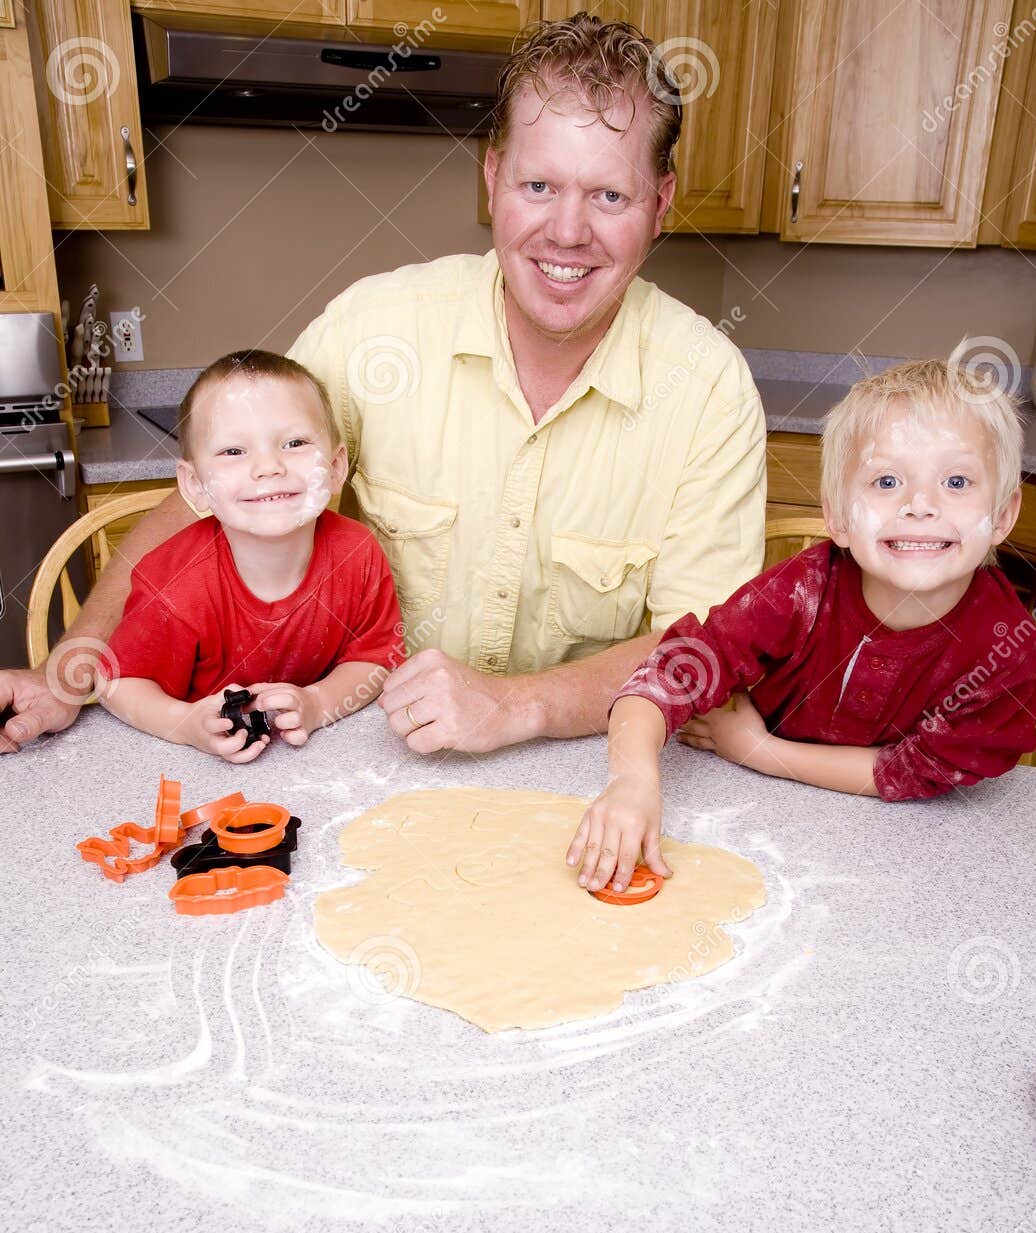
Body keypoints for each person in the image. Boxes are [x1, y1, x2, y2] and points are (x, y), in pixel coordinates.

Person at [0, 13, 765, 754]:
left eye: (609, 196)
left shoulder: (707, 390)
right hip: (352, 747)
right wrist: (71, 671)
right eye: (538, 186)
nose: (566, 232)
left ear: (659, 204)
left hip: (594, 759)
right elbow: (209, 510)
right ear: (492, 177)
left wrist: (516, 704)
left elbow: (696, 645)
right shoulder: (375, 330)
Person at [567, 355, 1036, 895]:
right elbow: (669, 673)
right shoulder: (802, 591)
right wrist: (632, 781)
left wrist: (758, 751)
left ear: (1003, 515)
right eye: (886, 480)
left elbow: (919, 771)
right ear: (838, 517)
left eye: (956, 481)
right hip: (748, 812)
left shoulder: (1007, 650)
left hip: (895, 860)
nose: (920, 505)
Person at [98, 350, 404, 760]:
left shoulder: (359, 554)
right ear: (195, 486)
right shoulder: (174, 584)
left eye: (294, 443)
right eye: (233, 451)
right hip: (189, 767)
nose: (268, 466)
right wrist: (186, 725)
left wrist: (316, 703)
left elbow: (375, 660)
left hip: (316, 764)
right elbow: (116, 684)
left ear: (334, 467)